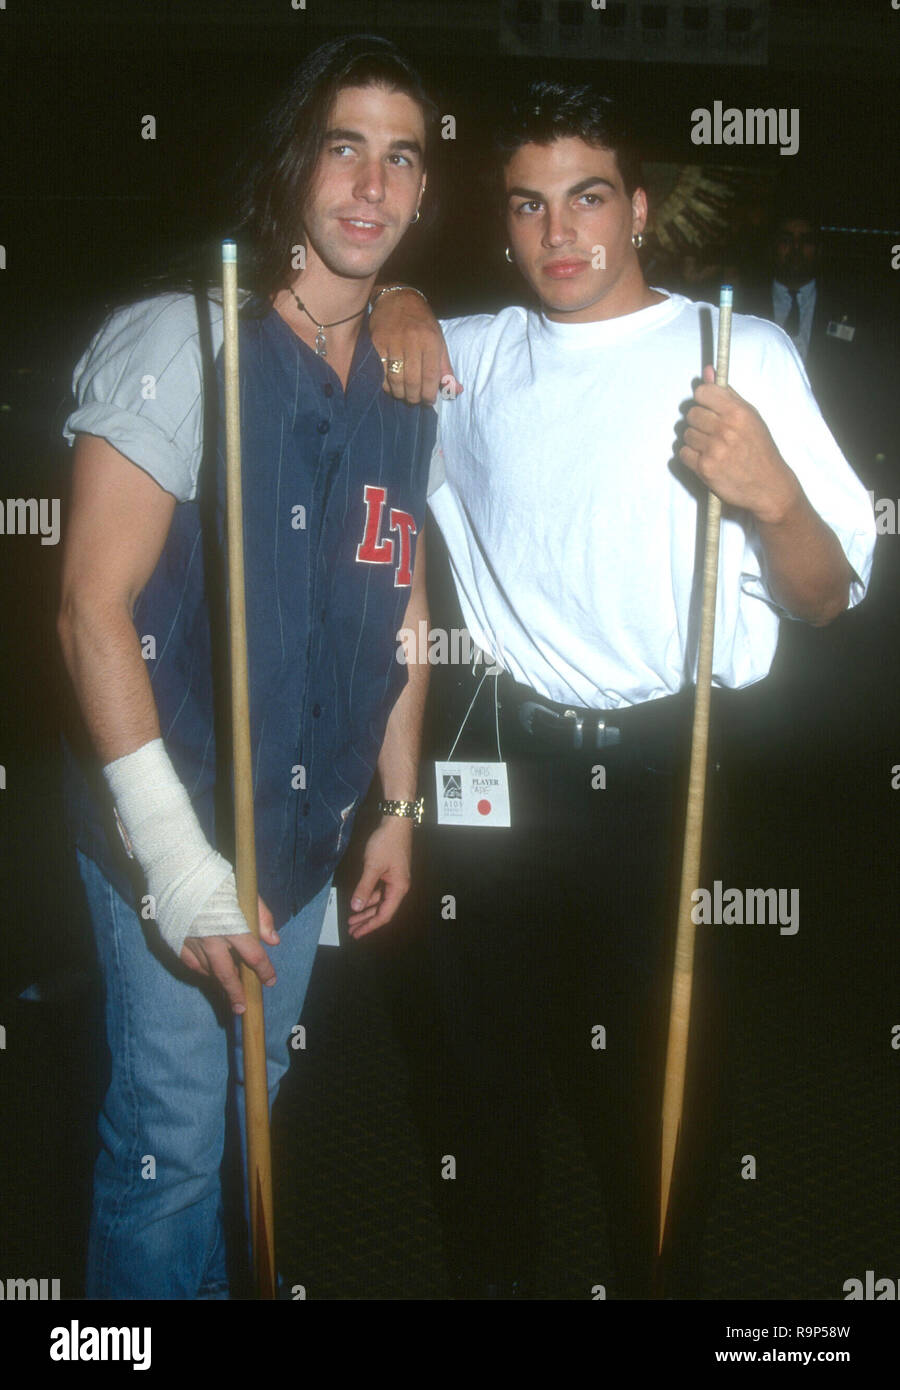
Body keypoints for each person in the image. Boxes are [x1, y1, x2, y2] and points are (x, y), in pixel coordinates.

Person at [368, 80, 876, 1298]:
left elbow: (825, 595)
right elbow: (358, 338)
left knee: (660, 1097)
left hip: (669, 769)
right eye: (530, 207)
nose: (560, 233)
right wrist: (395, 293)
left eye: (588, 197)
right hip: (496, 761)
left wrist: (775, 496)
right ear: (502, 226)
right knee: (480, 1086)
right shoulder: (470, 357)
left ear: (640, 207)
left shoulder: (735, 352)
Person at [57, 35, 436, 1300]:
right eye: (345, 146)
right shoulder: (178, 339)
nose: (372, 184)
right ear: (295, 161)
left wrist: (397, 802)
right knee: (170, 1150)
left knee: (251, 1113)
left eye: (402, 158)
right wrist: (176, 862)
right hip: (174, 825)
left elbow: (399, 600)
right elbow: (88, 609)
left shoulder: (406, 371)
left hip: (308, 845)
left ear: (425, 194)